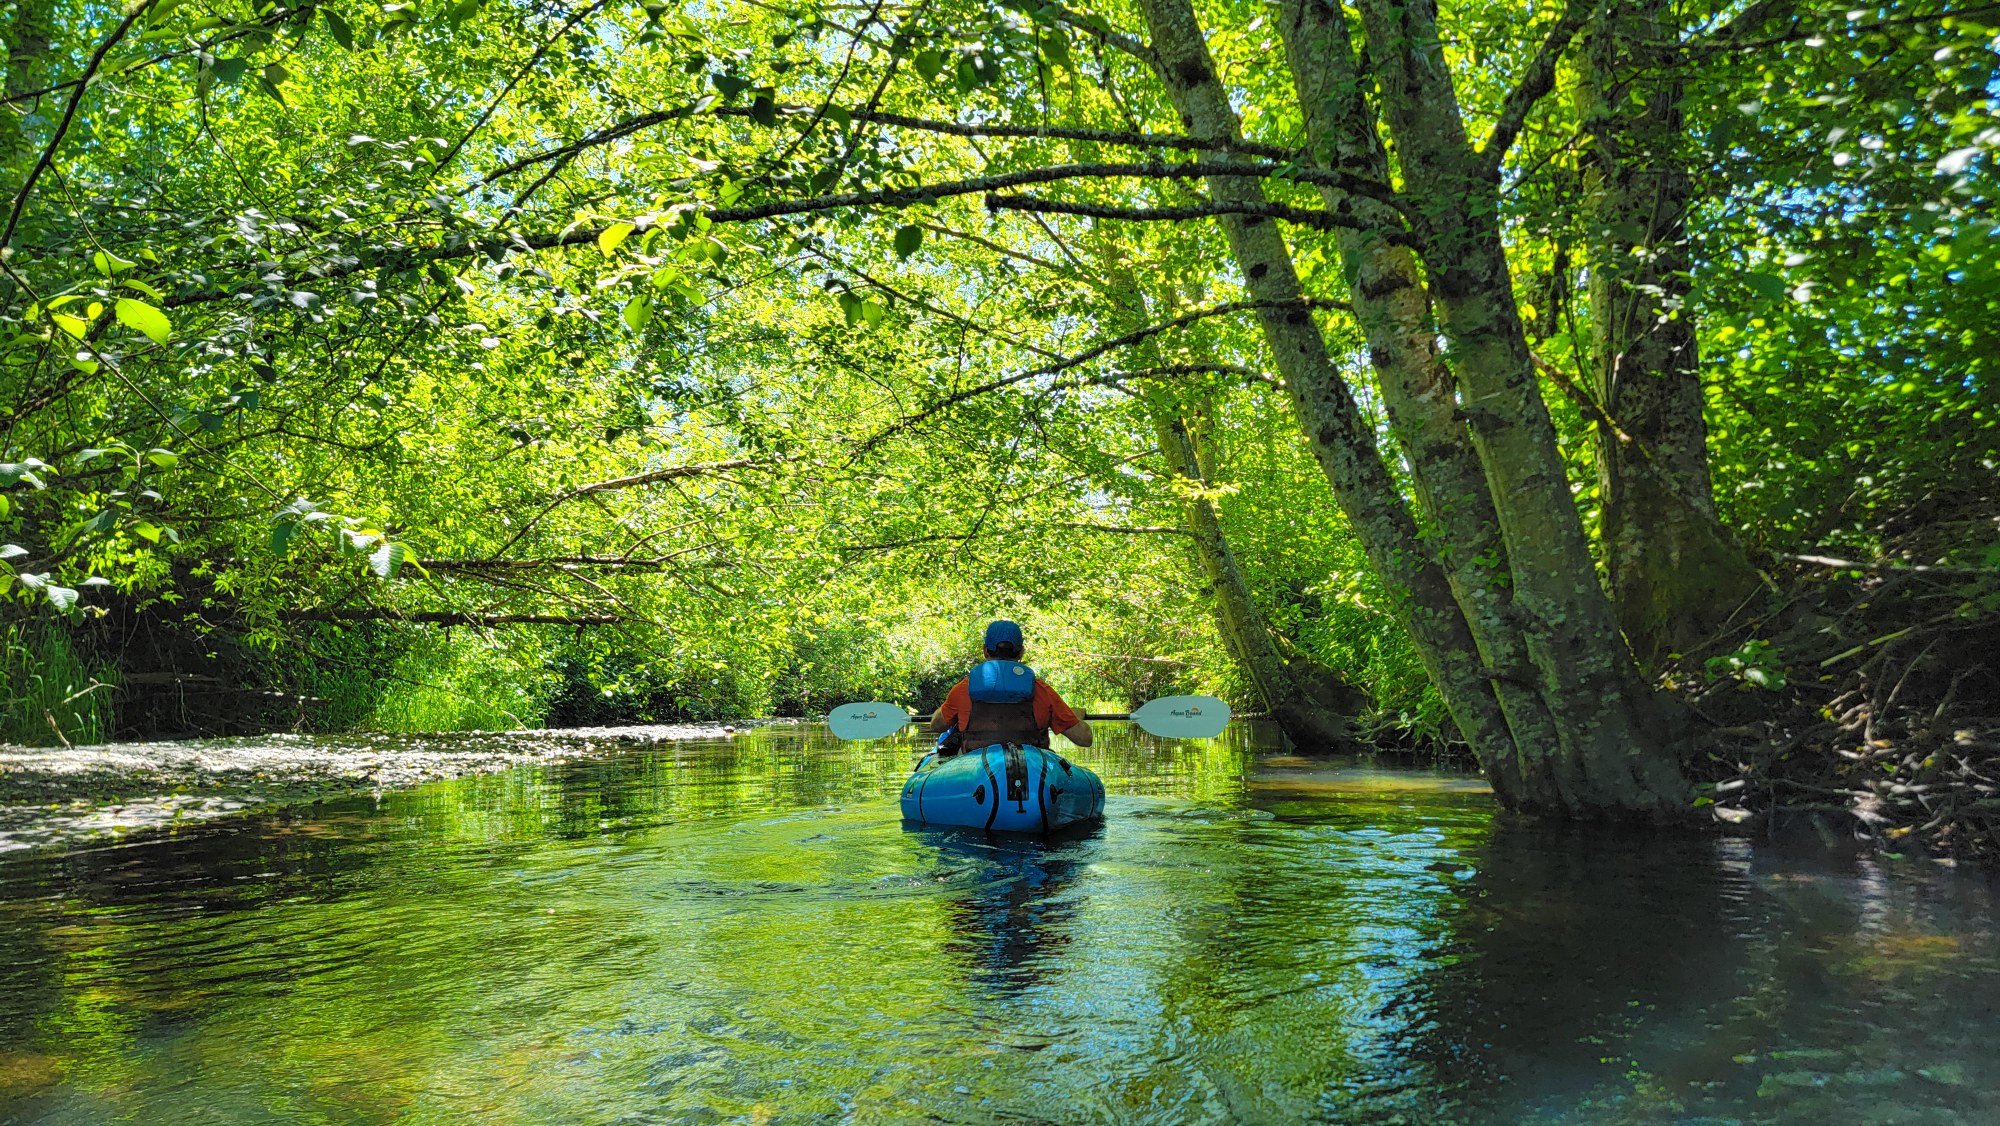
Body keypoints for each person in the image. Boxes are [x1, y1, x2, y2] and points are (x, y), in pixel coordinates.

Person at [924, 620, 1093, 755]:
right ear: (1021, 652)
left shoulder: (963, 690)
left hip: (977, 774)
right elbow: (1084, 738)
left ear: (985, 651)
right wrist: (1075, 717)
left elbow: (936, 726)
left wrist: (942, 711)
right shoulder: (1042, 691)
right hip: (1030, 772)